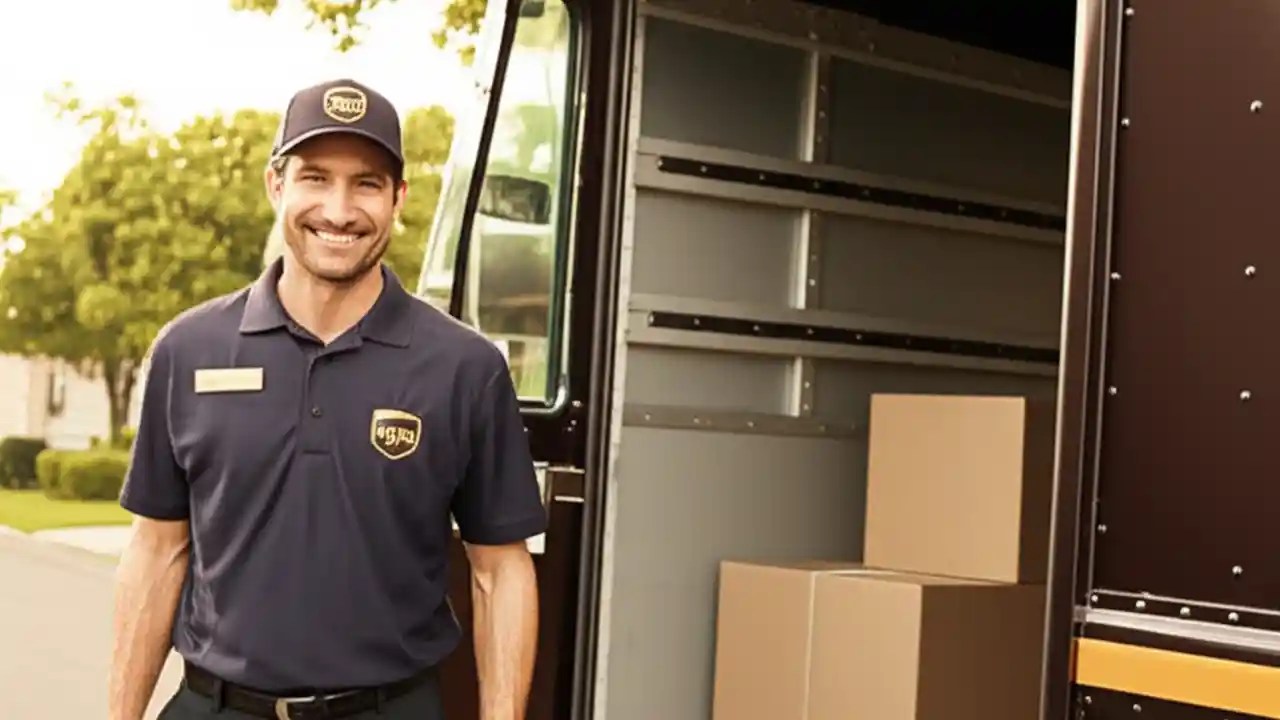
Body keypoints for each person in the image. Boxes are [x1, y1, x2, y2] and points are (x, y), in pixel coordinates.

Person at [107, 78, 547, 720]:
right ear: (276, 185)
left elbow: (499, 572)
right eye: (315, 177)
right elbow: (156, 550)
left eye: (366, 183)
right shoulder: (189, 350)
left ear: (398, 199)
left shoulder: (466, 368)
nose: (339, 211)